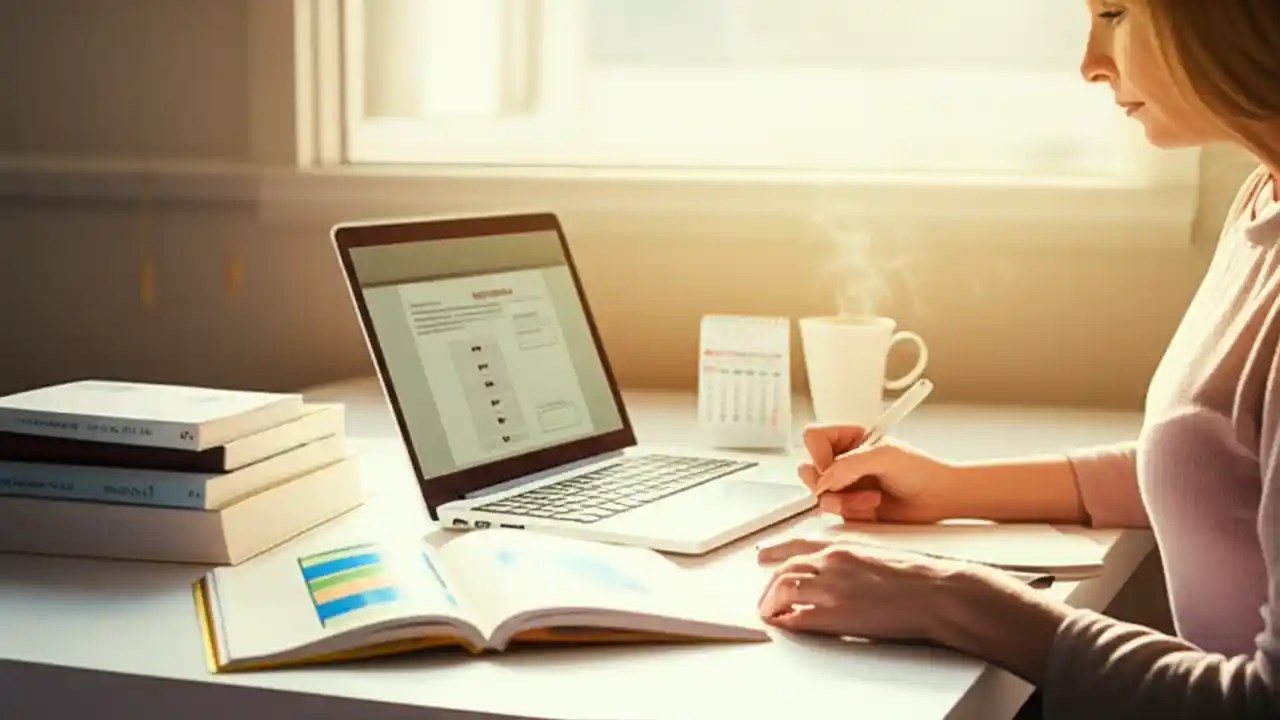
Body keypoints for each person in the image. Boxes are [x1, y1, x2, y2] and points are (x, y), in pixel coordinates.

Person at [755, 1, 1280, 717]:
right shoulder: (1262, 194)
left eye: (1116, 13)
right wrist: (954, 490)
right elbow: (1219, 469)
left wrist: (951, 601)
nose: (1090, 64)